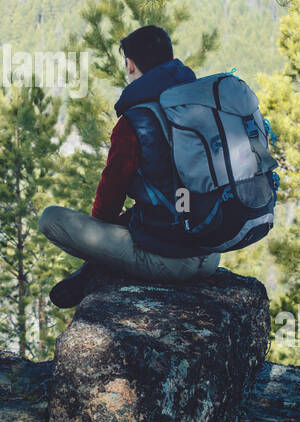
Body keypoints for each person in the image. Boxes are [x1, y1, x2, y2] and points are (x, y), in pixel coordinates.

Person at [38, 25, 222, 308]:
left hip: (166, 262)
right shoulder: (201, 106)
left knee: (50, 218)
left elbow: (107, 204)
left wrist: (108, 235)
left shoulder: (135, 121)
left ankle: (95, 269)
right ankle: (92, 271)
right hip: (210, 253)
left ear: (131, 64)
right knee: (150, 212)